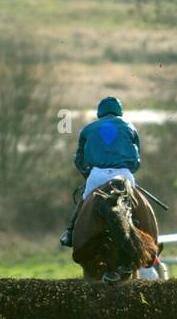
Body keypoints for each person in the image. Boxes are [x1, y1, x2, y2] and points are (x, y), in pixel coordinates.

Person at [60, 96, 141, 247]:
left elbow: (79, 160)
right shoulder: (129, 126)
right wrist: (129, 169)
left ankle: (70, 232)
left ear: (100, 112)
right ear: (119, 111)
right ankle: (144, 236)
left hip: (97, 175)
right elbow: (136, 159)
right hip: (123, 175)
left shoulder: (88, 129)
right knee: (137, 205)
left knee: (84, 202)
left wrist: (88, 174)